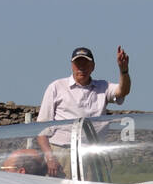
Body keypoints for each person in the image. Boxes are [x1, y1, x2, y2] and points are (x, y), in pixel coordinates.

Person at [35, 46, 131, 176]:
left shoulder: (103, 86)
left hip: (93, 154)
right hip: (62, 153)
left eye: (85, 63)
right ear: (72, 66)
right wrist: (50, 157)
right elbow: (42, 128)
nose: (81, 67)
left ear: (93, 66)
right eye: (77, 64)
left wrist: (123, 70)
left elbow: (123, 91)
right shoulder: (56, 87)